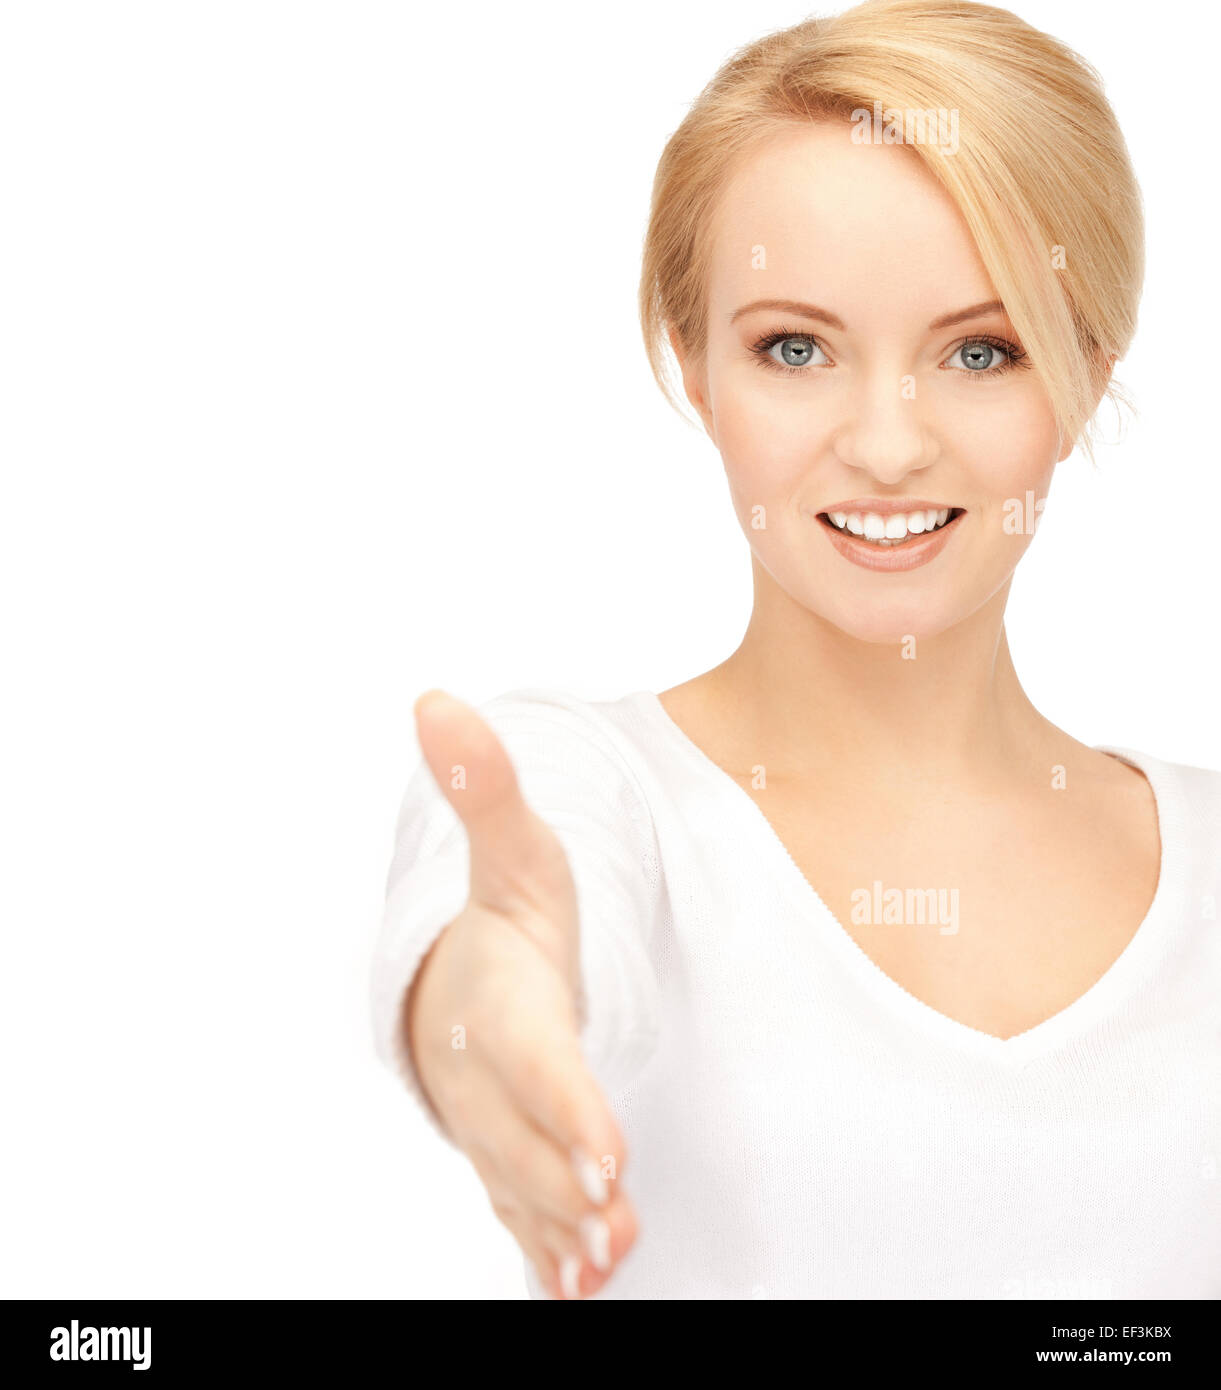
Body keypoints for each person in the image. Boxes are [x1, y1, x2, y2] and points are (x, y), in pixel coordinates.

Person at [370, 0, 1221, 1299]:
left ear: (1084, 374)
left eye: (979, 350)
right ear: (694, 368)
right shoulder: (581, 781)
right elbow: (510, 928)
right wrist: (494, 1015)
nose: (886, 445)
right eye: (793, 347)